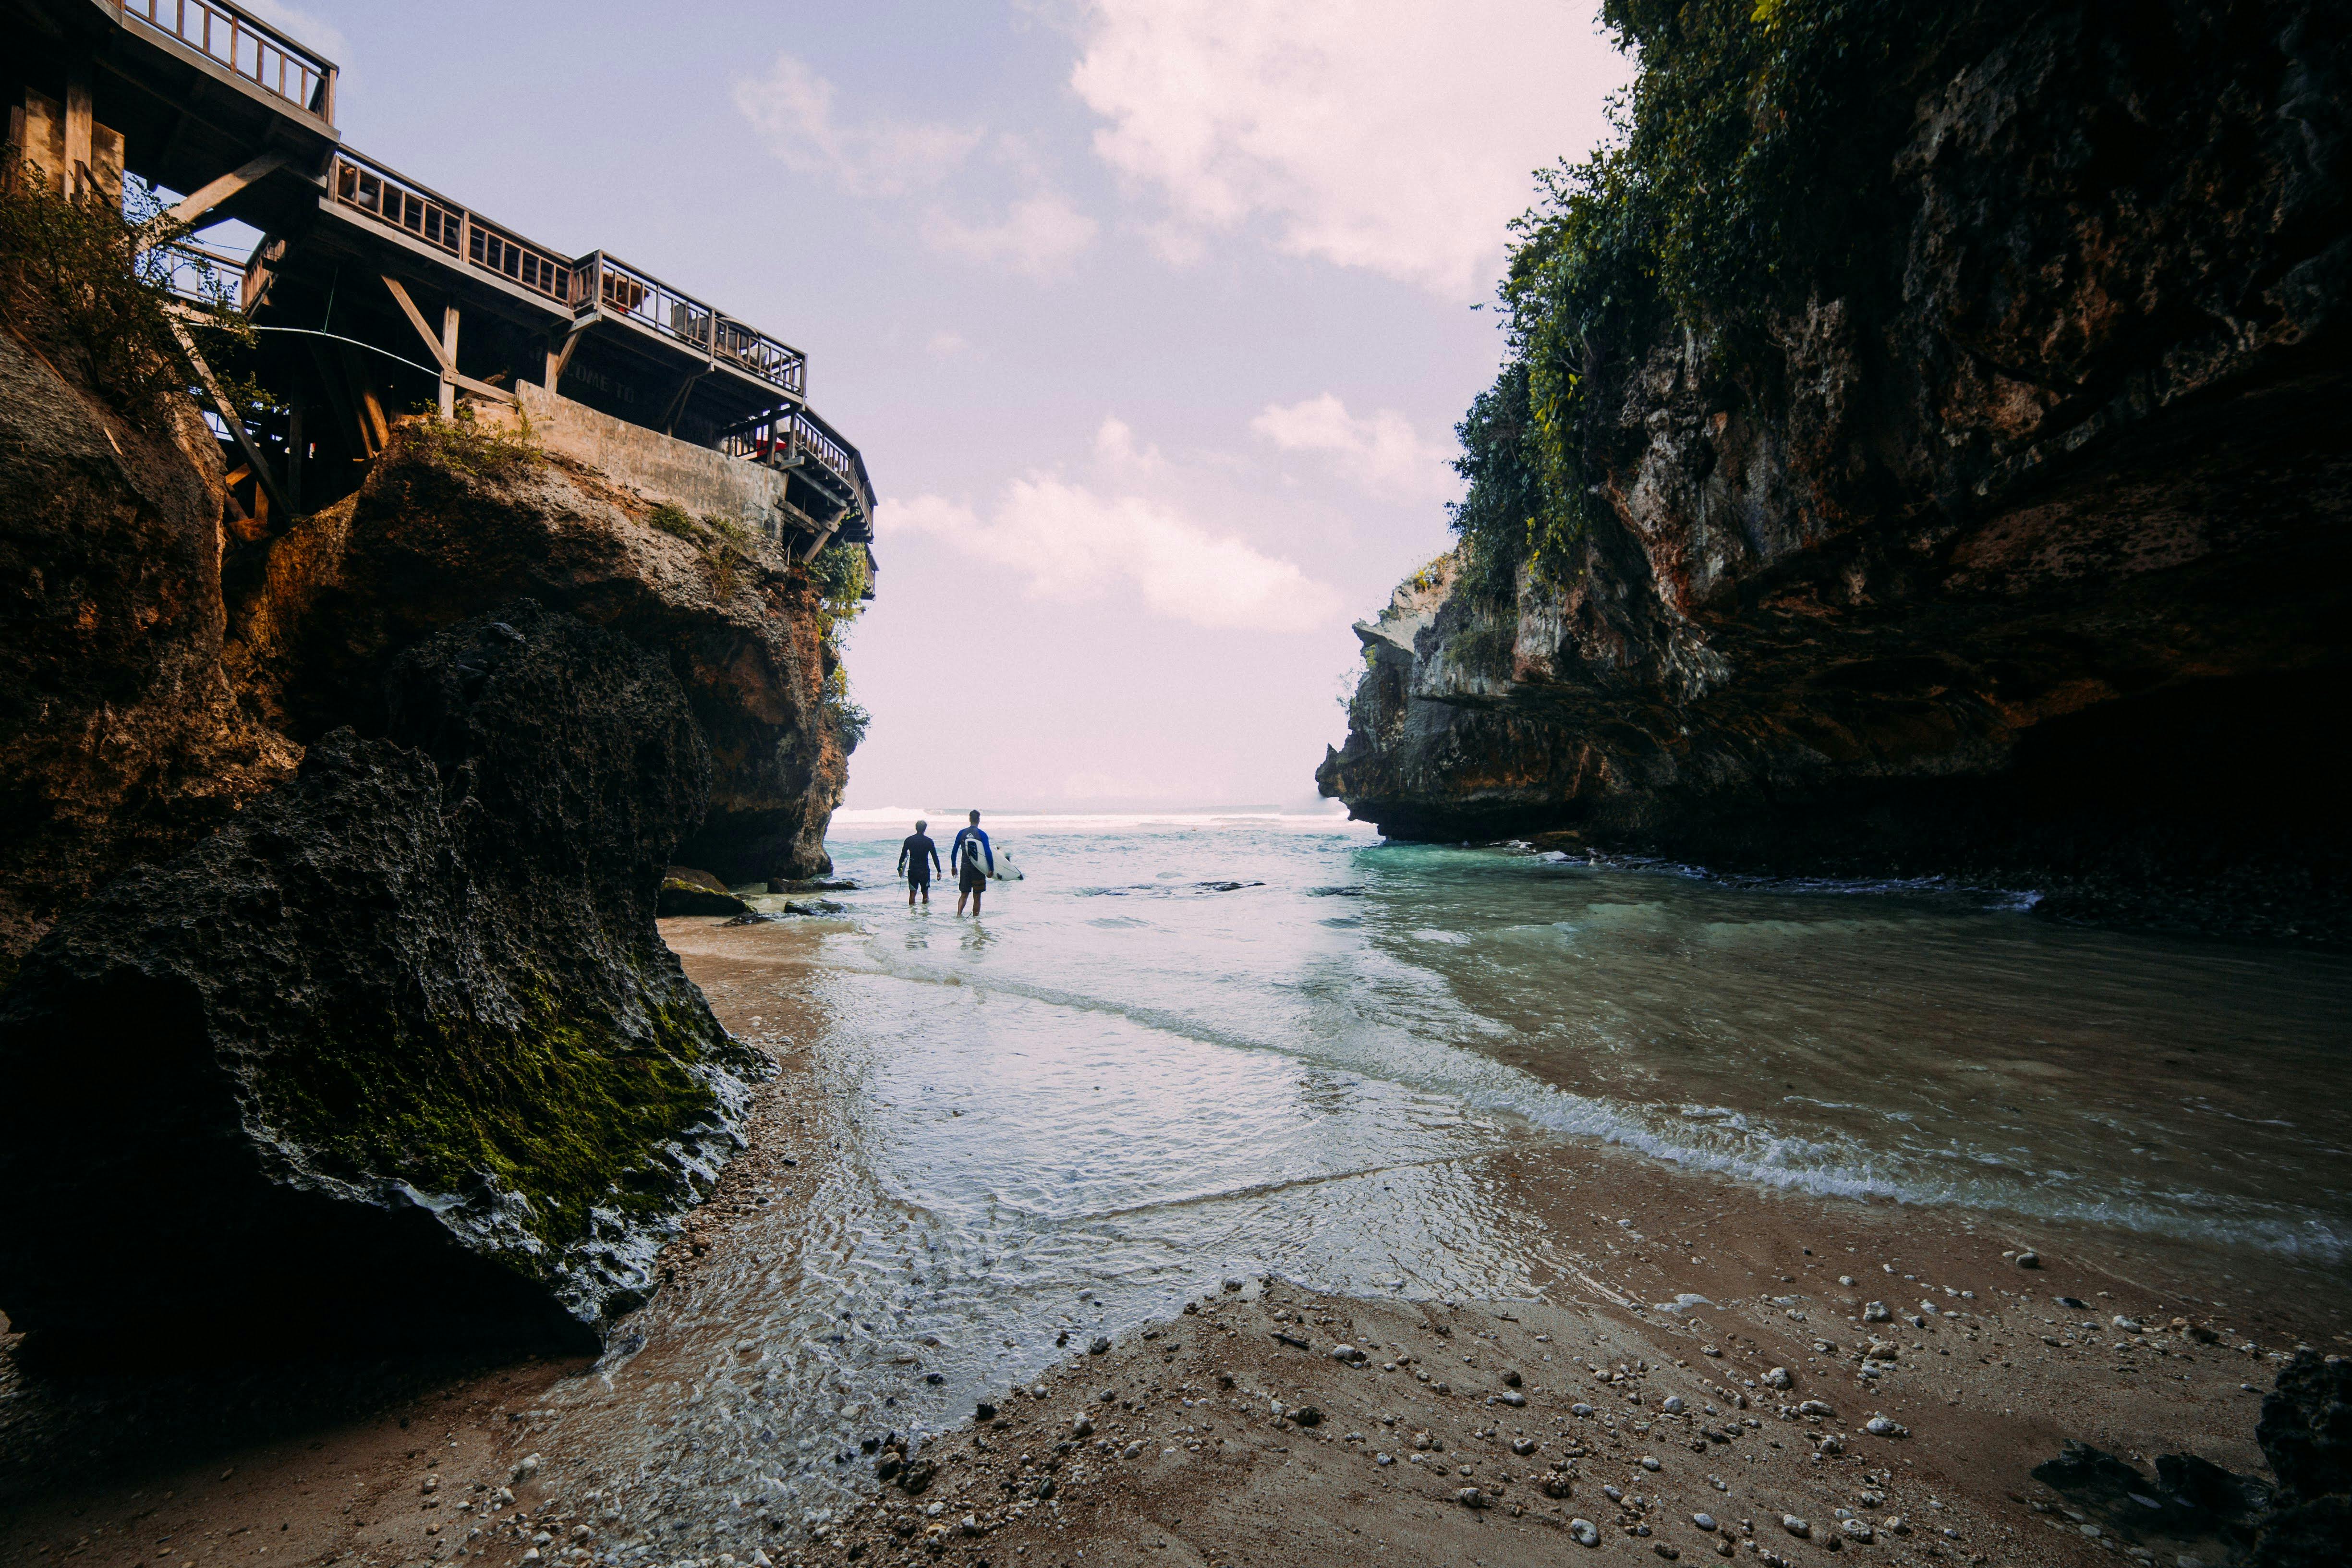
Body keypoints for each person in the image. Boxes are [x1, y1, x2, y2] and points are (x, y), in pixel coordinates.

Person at [949, 810, 993, 916]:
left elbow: (954, 850)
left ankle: (959, 915)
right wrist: (991, 869)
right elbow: (987, 852)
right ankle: (975, 920)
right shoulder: (982, 834)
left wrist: (953, 866)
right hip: (978, 868)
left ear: (969, 819)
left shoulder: (962, 833)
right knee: (977, 896)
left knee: (964, 894)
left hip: (965, 867)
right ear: (979, 820)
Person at [897, 819, 942, 908]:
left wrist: (900, 868)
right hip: (924, 870)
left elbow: (902, 857)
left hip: (913, 870)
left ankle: (913, 915)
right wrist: (939, 871)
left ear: (916, 828)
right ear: (925, 829)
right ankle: (925, 915)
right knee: (925, 893)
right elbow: (935, 857)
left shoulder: (909, 840)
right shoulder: (929, 841)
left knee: (912, 894)